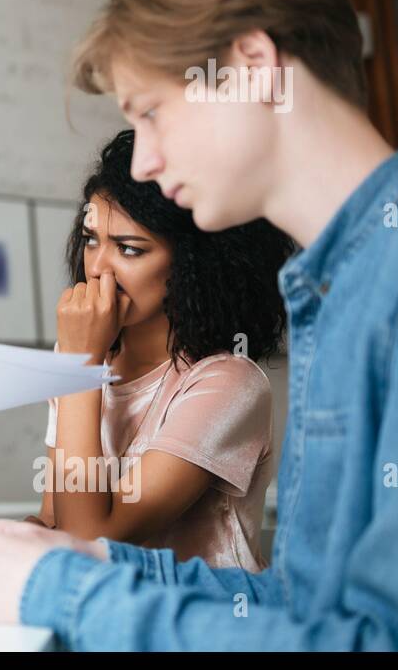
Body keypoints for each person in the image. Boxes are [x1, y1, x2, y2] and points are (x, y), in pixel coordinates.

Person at [0, 0, 398, 650]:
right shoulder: (348, 284)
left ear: (254, 66)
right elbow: (310, 611)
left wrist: (62, 588)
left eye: (150, 113)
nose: (140, 163)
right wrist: (74, 560)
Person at [33, 129, 291, 571]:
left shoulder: (229, 384)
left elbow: (90, 544)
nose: (96, 269)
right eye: (92, 239)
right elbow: (55, 520)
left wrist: (79, 367)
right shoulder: (84, 355)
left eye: (129, 249)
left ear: (194, 264)